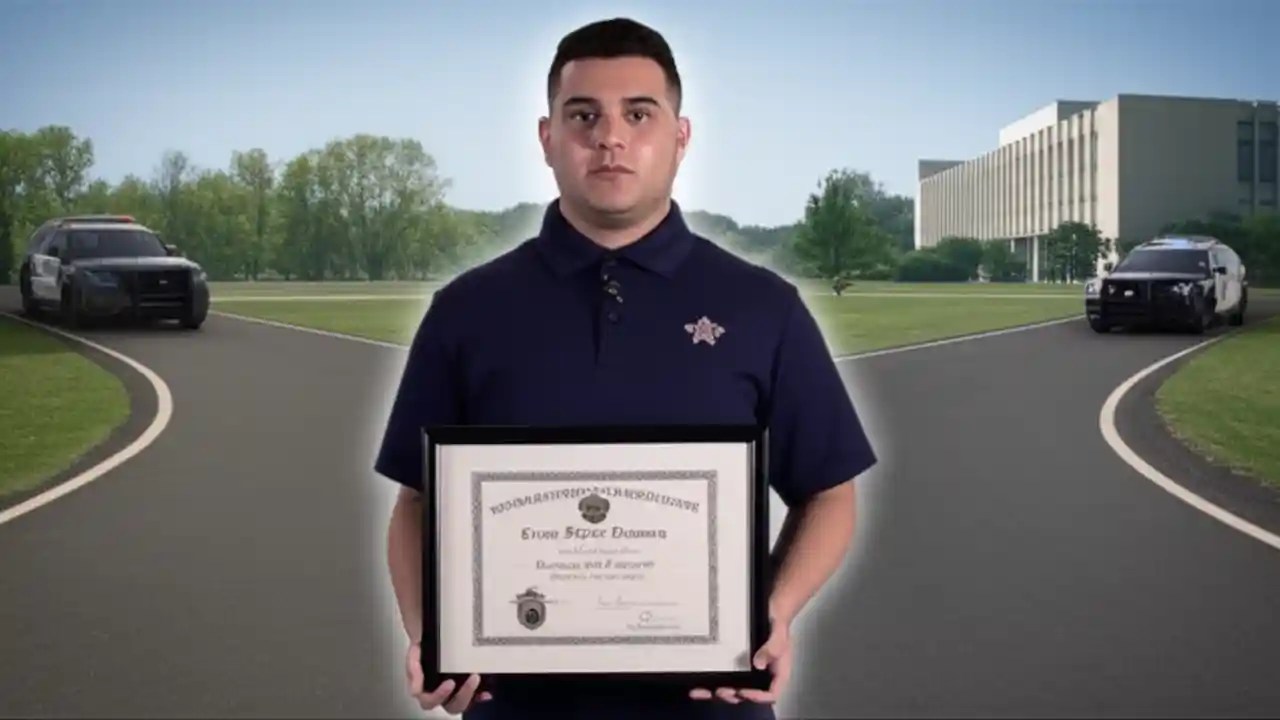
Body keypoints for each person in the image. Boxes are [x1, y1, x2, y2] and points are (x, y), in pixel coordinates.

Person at [374, 16, 877, 720]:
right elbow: (416, 504)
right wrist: (429, 634)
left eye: (638, 113)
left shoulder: (764, 307)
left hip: (711, 702)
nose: (610, 136)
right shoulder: (466, 310)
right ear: (547, 139)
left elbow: (830, 492)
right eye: (584, 115)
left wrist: (772, 615)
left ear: (680, 137)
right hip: (514, 705)